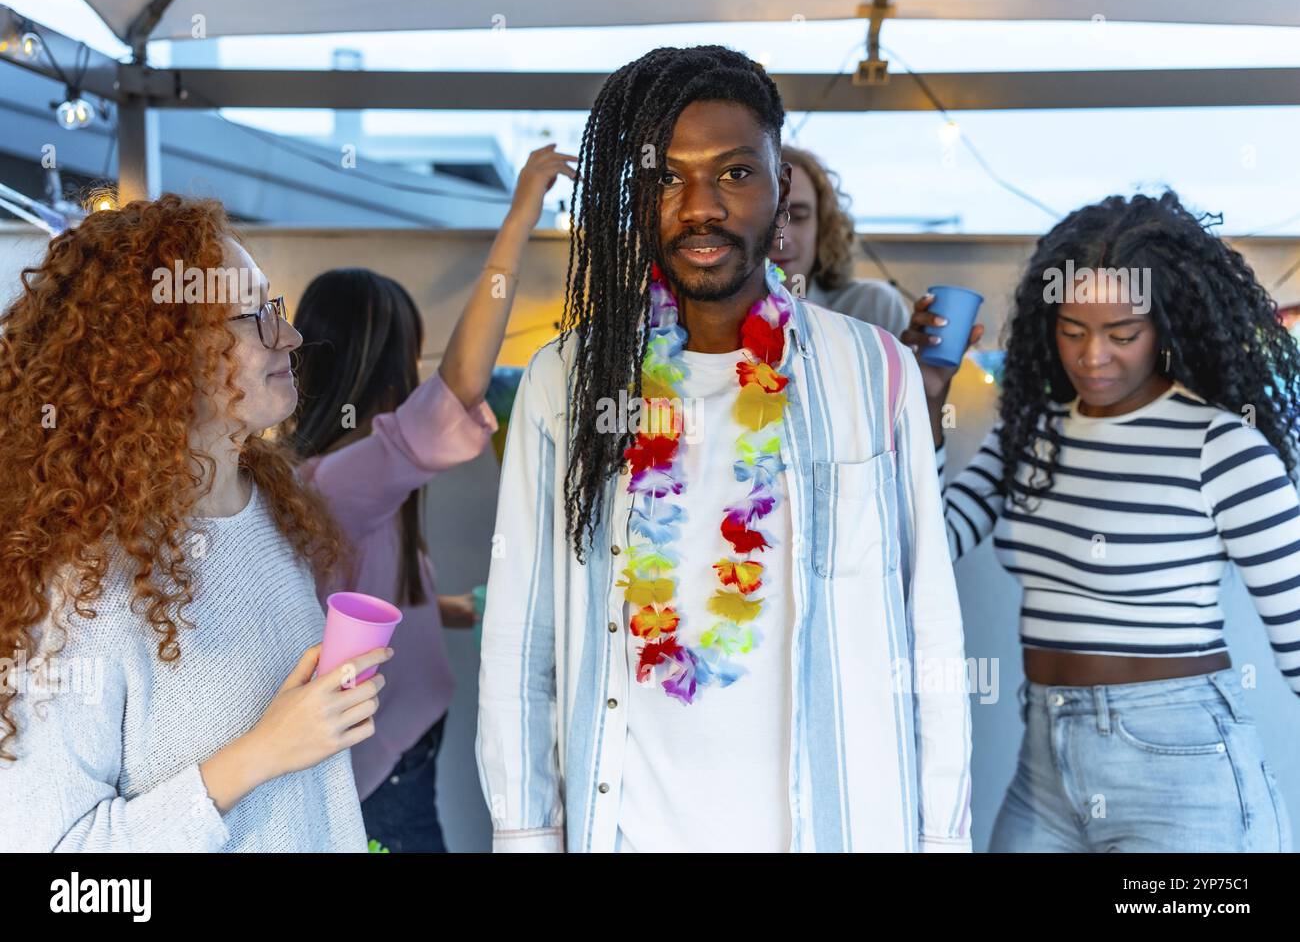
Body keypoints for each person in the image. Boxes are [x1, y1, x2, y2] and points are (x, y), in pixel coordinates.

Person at [476, 45, 972, 853]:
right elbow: (518, 648)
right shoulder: (565, 386)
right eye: (667, 177)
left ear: (783, 195)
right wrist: (526, 839)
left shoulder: (873, 371)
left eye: (736, 173)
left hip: (841, 828)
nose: (699, 205)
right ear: (635, 199)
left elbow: (932, 634)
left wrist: (944, 840)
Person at [903, 191, 1300, 852]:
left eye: (1123, 334)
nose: (1092, 358)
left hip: (1183, 770)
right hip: (1044, 764)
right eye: (1073, 329)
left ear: (1167, 326)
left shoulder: (1221, 445)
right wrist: (926, 403)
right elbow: (926, 545)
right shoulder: (1032, 431)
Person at [0, 195, 390, 851]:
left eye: (277, 309)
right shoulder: (79, 585)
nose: (289, 338)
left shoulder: (268, 505)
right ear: (154, 357)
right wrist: (260, 753)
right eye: (252, 320)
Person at [283, 144, 576, 852]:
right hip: (381, 773)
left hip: (394, 753)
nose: (419, 378)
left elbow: (353, 597)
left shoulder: (330, 475)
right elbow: (460, 390)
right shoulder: (344, 477)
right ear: (374, 363)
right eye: (410, 354)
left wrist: (448, 609)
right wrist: (520, 217)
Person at [768, 145, 910, 337]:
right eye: (767, 218)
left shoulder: (870, 307)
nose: (781, 239)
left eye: (799, 216)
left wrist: (925, 367)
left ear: (824, 225)